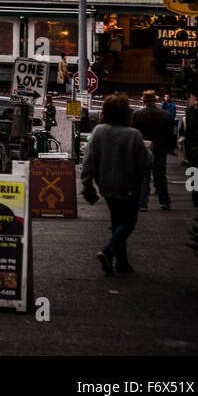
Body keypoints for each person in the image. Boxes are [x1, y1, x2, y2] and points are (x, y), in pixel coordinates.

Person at [81, 94, 152, 276]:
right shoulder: (133, 134)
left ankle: (122, 262)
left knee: (116, 221)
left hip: (106, 186)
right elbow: (146, 162)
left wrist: (87, 184)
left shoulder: (98, 131)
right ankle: (109, 250)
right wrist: (148, 149)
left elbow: (88, 161)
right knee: (128, 222)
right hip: (129, 186)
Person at [133, 89, 175, 210]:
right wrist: (170, 148)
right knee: (160, 176)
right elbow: (170, 134)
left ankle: (142, 202)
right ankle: (164, 201)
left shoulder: (136, 115)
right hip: (159, 149)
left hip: (143, 149)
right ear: (155, 101)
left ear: (144, 101)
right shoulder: (165, 115)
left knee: (143, 177)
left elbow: (133, 133)